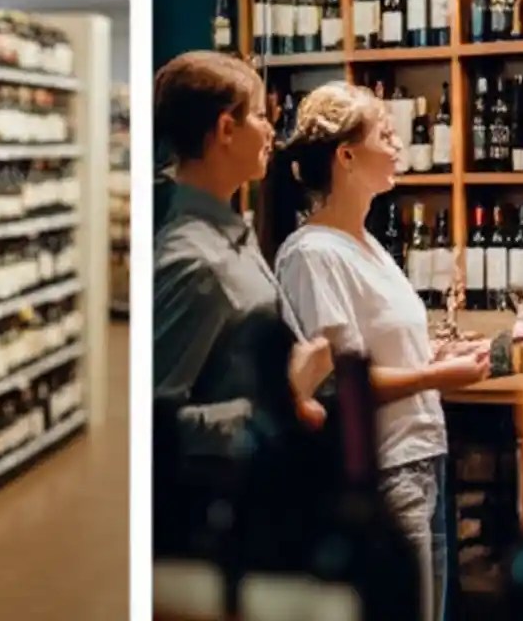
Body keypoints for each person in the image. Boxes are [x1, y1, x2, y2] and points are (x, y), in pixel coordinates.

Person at [265, 82, 490, 621]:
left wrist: (431, 352)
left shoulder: (366, 244)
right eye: (385, 135)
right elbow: (340, 383)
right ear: (346, 156)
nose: (397, 147)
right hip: (388, 471)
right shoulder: (313, 255)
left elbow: (378, 347)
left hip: (420, 459)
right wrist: (436, 376)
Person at [151, 51, 334, 566]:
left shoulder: (232, 236)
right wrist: (279, 403)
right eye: (260, 114)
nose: (272, 130)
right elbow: (156, 425)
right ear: (226, 129)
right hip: (218, 532)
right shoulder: (193, 260)